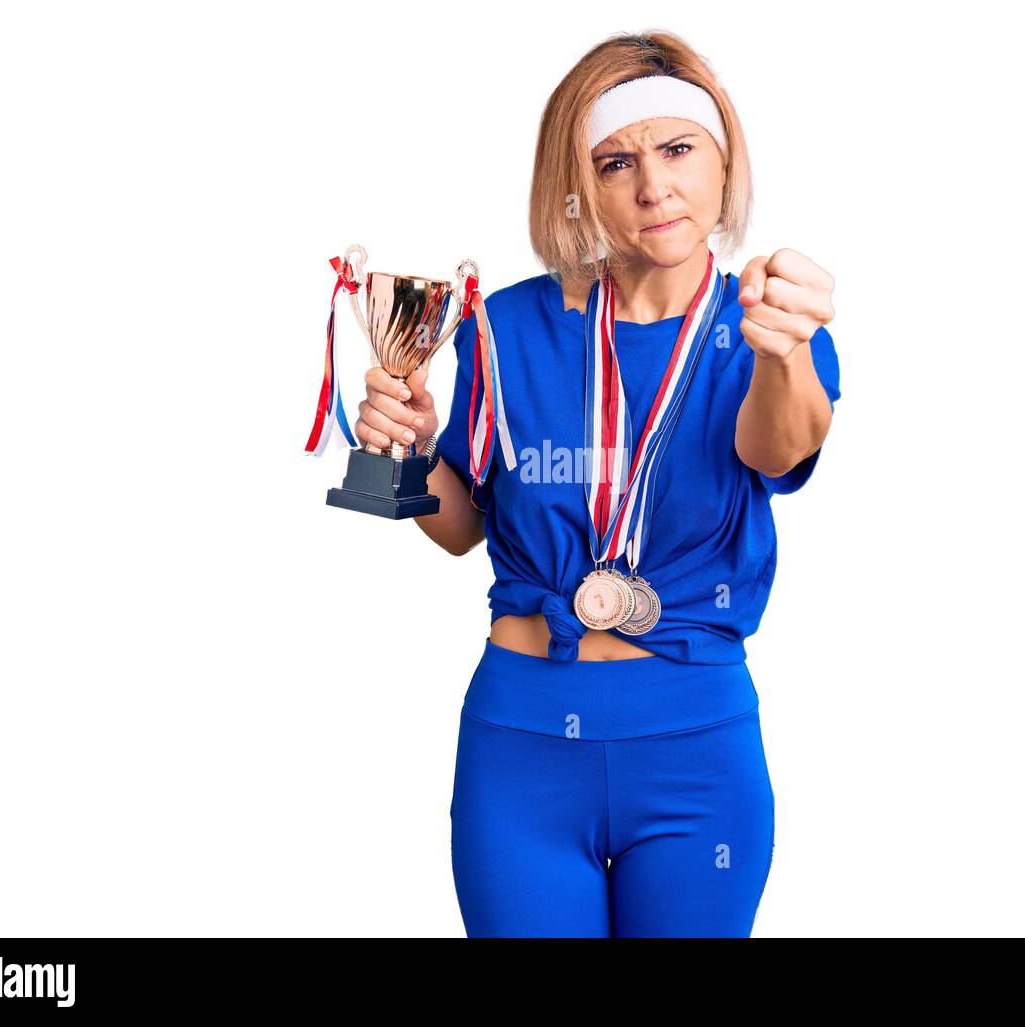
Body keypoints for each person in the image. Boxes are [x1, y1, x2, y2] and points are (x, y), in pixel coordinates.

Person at [353, 31, 840, 937]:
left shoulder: (766, 323)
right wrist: (411, 449)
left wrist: (784, 353)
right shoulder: (506, 325)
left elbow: (777, 451)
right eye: (617, 162)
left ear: (723, 156)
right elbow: (462, 527)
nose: (654, 187)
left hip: (695, 751)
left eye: (678, 150)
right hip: (522, 744)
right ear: (578, 185)